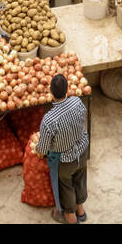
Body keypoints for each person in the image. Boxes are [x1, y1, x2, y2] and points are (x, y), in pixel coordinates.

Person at [35, 73, 90, 224]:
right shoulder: (77, 101)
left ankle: (70, 217)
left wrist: (37, 150)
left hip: (65, 161)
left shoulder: (49, 120)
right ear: (67, 90)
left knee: (66, 187)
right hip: (82, 151)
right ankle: (81, 210)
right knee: (80, 179)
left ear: (51, 92)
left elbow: (43, 148)